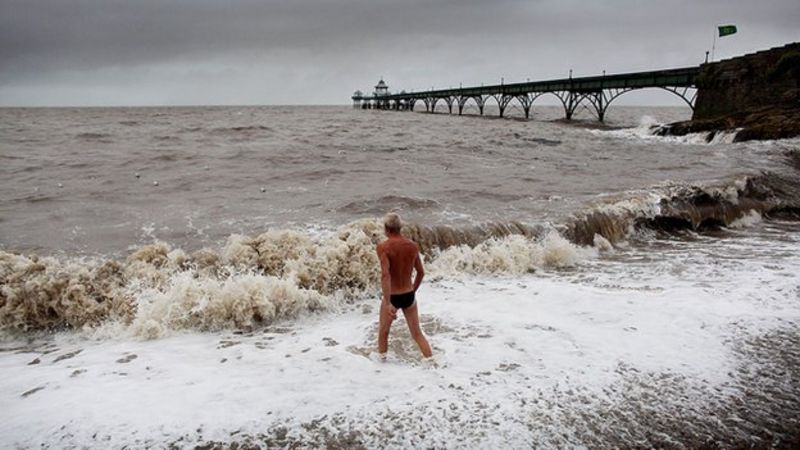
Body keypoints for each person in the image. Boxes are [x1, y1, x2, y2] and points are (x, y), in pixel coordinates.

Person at [376, 213, 433, 358]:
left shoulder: (383, 247)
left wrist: (388, 302)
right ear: (400, 228)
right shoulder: (412, 246)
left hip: (393, 297)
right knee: (417, 334)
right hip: (409, 295)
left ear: (386, 229)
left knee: (383, 333)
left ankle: (380, 368)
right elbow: (420, 272)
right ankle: (432, 362)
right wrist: (413, 291)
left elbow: (385, 275)